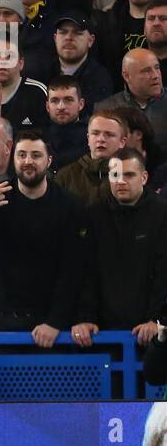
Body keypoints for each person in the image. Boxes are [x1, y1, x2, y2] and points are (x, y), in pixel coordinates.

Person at [0, 130, 82, 342]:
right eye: (22, 155)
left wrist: (55, 321)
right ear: (13, 159)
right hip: (3, 320)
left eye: (36, 155)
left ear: (49, 160)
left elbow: (72, 270)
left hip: (51, 324)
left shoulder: (68, 204)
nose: (28, 161)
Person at [72, 148, 167, 348]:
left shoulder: (162, 215)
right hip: (102, 334)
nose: (121, 181)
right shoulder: (93, 216)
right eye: (115, 175)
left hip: (154, 334)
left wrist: (158, 320)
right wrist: (85, 317)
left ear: (144, 177)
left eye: (129, 175)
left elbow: (163, 274)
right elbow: (86, 272)